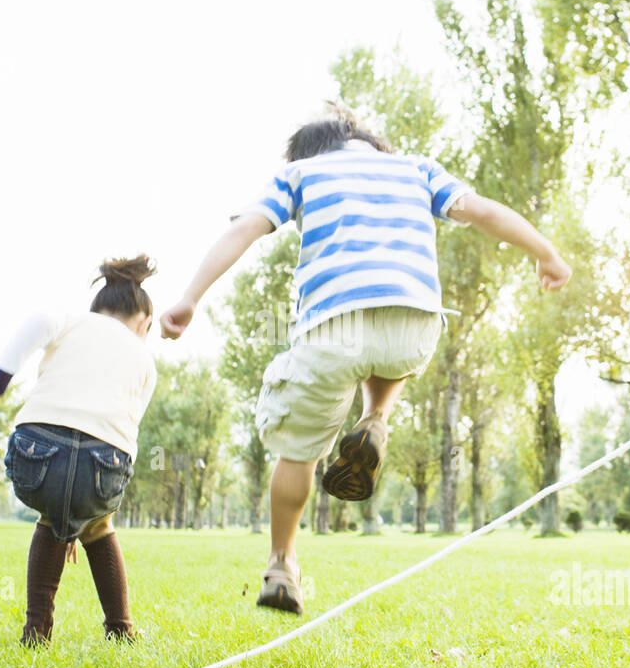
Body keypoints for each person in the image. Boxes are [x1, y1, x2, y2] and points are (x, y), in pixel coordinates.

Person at [160, 112, 571, 615]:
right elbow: (481, 210)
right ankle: (376, 418)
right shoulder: (416, 169)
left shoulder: (301, 173)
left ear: (309, 151)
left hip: (331, 324)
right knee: (390, 349)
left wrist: (189, 297)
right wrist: (545, 251)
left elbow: (247, 227)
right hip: (413, 320)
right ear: (372, 144)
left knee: (299, 452)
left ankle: (282, 565)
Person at [0, 256, 157, 644]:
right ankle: (121, 631)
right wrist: (82, 511)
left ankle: (36, 633)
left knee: (52, 519)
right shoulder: (145, 360)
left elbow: (35, 321)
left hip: (38, 456)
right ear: (144, 323)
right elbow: (122, 432)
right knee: (100, 525)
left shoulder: (72, 320)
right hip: (102, 470)